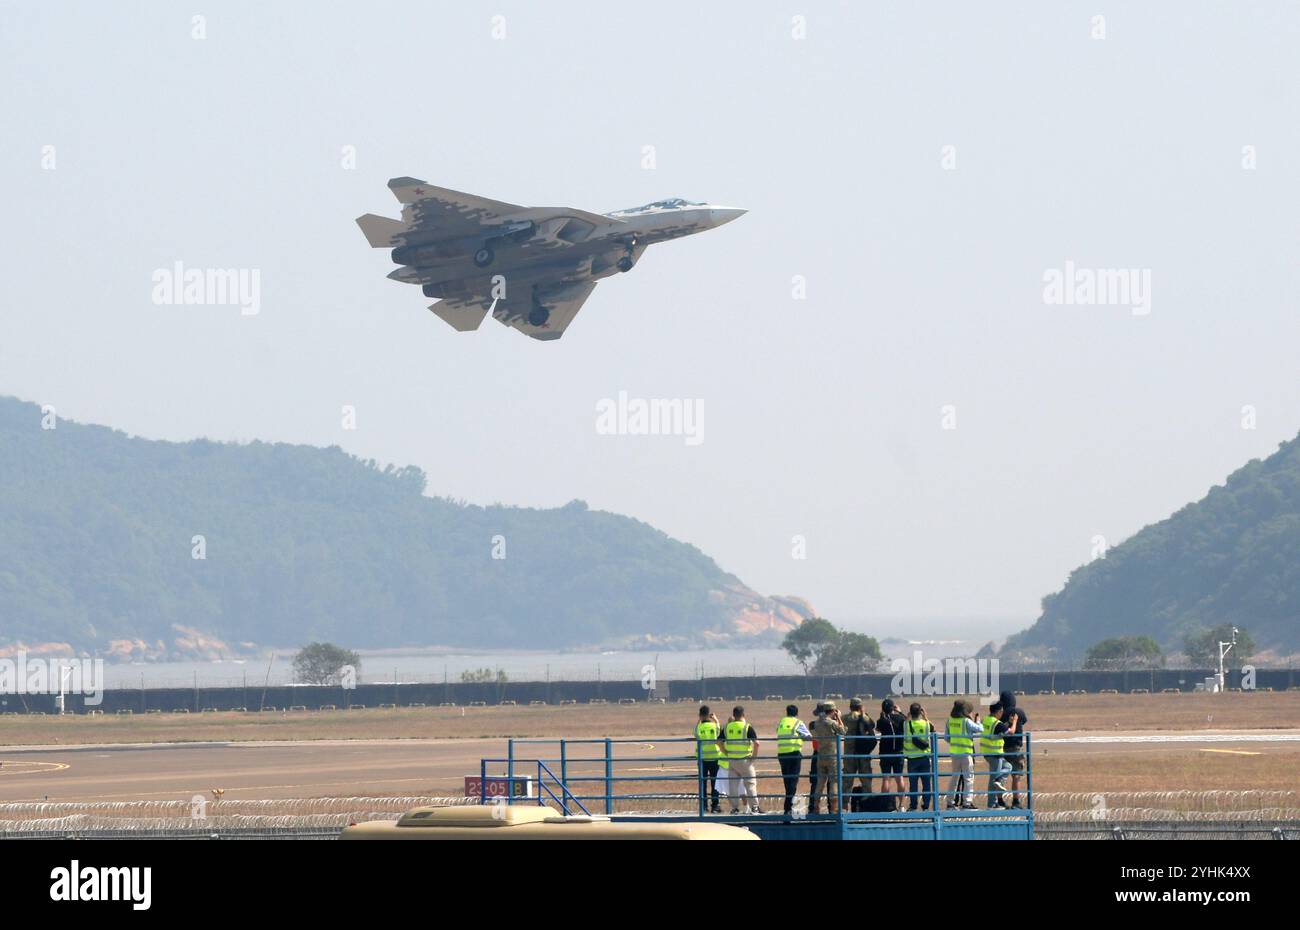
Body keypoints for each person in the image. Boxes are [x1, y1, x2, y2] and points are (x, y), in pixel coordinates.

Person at [717, 705, 762, 814]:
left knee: (733, 785)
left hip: (732, 760)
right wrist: (754, 757)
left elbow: (718, 741)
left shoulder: (727, 727)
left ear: (734, 715)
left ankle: (735, 808)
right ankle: (754, 807)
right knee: (750, 784)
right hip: (745, 761)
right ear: (743, 715)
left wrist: (725, 752)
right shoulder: (747, 727)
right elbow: (757, 743)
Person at [808, 701, 847, 814]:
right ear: (833, 710)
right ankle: (834, 808)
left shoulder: (816, 723)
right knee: (834, 781)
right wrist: (839, 718)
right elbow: (842, 731)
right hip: (832, 756)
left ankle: (815, 806)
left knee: (820, 782)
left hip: (821, 755)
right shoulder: (831, 723)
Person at [944, 700, 983, 810]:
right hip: (966, 753)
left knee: (954, 778)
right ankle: (967, 802)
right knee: (968, 778)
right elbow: (980, 729)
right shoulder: (966, 721)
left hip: (954, 753)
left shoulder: (949, 720)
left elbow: (947, 738)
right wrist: (978, 721)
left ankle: (950, 802)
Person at [775, 704, 812, 816]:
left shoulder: (782, 722)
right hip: (794, 753)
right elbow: (808, 736)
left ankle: (788, 806)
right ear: (796, 713)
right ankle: (788, 808)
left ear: (786, 712)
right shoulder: (797, 722)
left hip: (782, 754)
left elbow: (778, 732)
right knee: (793, 781)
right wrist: (801, 738)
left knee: (787, 781)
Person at [842, 698, 877, 812]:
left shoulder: (845, 718)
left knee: (847, 779)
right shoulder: (864, 717)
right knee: (866, 778)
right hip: (862, 752)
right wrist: (863, 713)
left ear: (850, 707)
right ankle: (867, 803)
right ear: (860, 706)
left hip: (849, 753)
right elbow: (872, 724)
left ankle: (844, 805)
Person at [999, 690, 1030, 808]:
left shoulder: (1001, 713)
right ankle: (1016, 801)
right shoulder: (1019, 712)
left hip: (1003, 748)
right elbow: (1025, 720)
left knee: (1001, 776)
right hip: (1016, 748)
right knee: (1016, 776)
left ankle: (999, 800)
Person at [980, 701, 1014, 808]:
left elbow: (1001, 728)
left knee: (1008, 767)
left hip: (987, 752)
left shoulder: (986, 720)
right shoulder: (996, 723)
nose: (1002, 714)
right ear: (998, 712)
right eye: (1001, 712)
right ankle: (992, 804)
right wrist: (1015, 722)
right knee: (993, 780)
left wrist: (1007, 723)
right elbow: (1011, 731)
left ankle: (998, 779)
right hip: (995, 754)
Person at [903, 702, 935, 811]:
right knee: (926, 784)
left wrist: (908, 717)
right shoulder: (926, 724)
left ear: (911, 713)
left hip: (912, 759)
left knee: (913, 785)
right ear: (920, 712)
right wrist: (925, 717)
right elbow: (932, 728)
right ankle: (926, 805)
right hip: (924, 757)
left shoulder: (907, 725)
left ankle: (913, 806)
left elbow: (904, 726)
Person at [876, 698, 907, 811]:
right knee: (899, 778)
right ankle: (902, 805)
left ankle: (885, 805)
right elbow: (907, 721)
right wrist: (899, 712)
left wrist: (882, 716)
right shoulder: (900, 718)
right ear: (893, 708)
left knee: (886, 779)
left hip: (885, 752)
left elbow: (878, 729)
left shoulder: (882, 720)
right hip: (898, 751)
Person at [694, 705, 723, 814]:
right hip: (715, 758)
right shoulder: (714, 726)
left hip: (702, 759)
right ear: (709, 714)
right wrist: (716, 719)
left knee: (703, 783)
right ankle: (715, 806)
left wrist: (698, 721)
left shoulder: (699, 727)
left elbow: (696, 734)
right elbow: (719, 731)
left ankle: (704, 806)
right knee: (715, 783)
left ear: (700, 716)